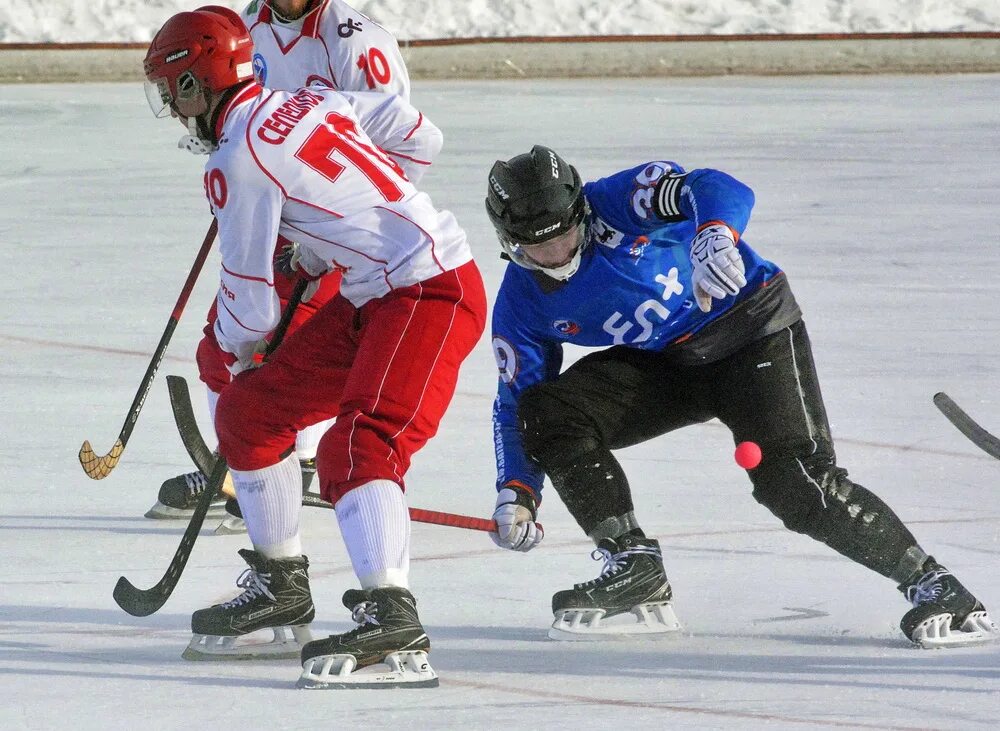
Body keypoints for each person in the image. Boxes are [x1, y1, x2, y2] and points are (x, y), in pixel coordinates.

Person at [483, 145, 999, 649]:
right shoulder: (519, 303)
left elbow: (716, 186)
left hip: (751, 331)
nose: (558, 254)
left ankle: (940, 589)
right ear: (508, 240)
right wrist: (518, 491)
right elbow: (515, 401)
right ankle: (634, 567)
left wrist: (714, 236)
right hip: (668, 361)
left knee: (794, 484)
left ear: (582, 212)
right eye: (536, 247)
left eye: (567, 234)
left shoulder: (620, 201)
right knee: (548, 412)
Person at [143, 6, 485, 687]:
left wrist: (239, 347)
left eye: (171, 91)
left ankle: (392, 616)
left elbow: (248, 305)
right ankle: (282, 587)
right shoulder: (303, 99)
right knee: (248, 415)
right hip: (377, 289)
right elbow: (416, 135)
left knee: (357, 445)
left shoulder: (235, 161)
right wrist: (344, 219)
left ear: (194, 86)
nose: (174, 110)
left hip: (430, 290)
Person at [145, 0, 413, 523]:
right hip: (283, 200)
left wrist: (364, 214)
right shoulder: (245, 24)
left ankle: (272, 465)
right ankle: (245, 463)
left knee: (271, 345)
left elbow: (397, 138)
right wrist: (237, 148)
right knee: (226, 344)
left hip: (335, 223)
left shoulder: (357, 39)